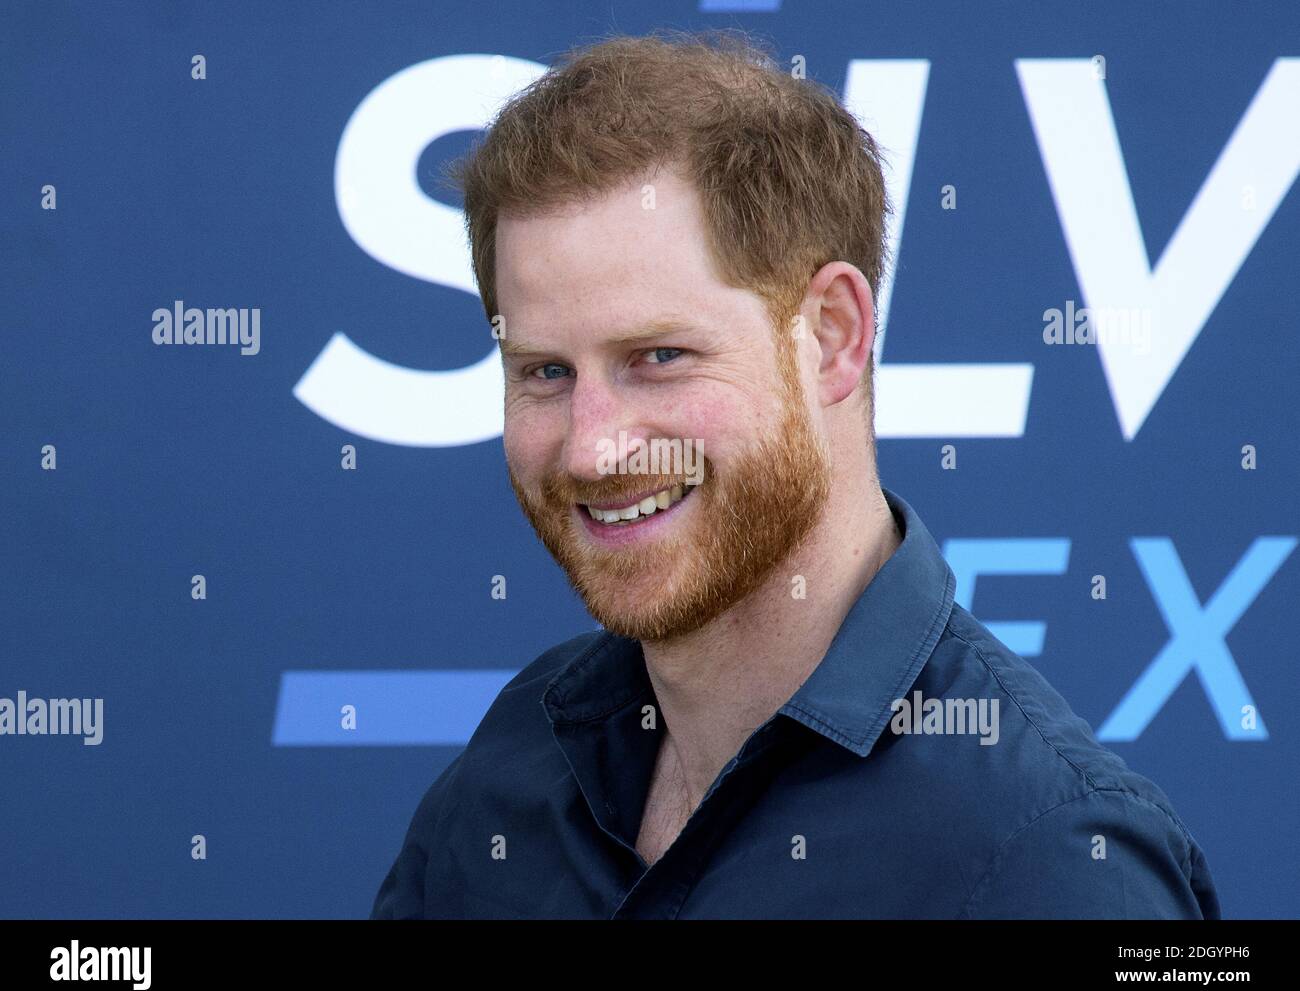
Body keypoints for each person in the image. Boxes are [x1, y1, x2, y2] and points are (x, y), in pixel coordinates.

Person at [371, 30, 1219, 919]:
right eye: (545, 371)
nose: (593, 449)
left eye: (659, 356)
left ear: (832, 337)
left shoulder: (1054, 858)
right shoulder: (513, 765)